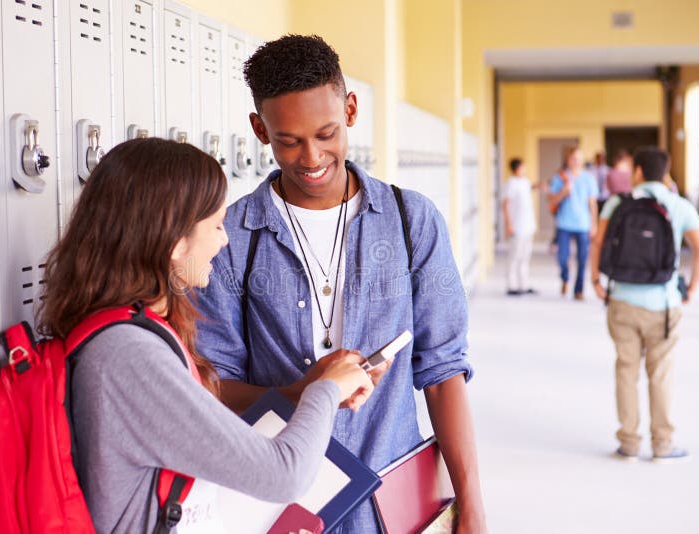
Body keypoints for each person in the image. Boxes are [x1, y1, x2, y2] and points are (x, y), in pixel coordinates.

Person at [196, 35, 487, 533]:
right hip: (279, 502)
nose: (311, 157)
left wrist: (472, 503)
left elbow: (443, 373)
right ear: (259, 130)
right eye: (288, 140)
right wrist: (304, 393)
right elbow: (210, 383)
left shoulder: (411, 221)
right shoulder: (230, 237)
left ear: (351, 110)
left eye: (326, 133)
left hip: (391, 504)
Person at [37, 138, 374, 533]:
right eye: (216, 225)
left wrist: (312, 387)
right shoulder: (128, 355)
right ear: (174, 240)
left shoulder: (130, 335)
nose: (225, 239)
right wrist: (326, 390)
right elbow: (284, 474)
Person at [591, 146, 699, 463]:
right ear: (665, 172)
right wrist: (691, 289)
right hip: (664, 303)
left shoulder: (618, 203)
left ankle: (629, 443)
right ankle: (663, 444)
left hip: (622, 301)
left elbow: (598, 241)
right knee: (661, 375)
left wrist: (595, 281)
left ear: (639, 171)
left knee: (626, 370)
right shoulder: (677, 205)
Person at [548, 146, 598, 300]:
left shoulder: (588, 178)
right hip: (564, 224)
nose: (576, 161)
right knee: (562, 258)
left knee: (582, 259)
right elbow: (551, 201)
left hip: (583, 224)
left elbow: (592, 203)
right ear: (567, 160)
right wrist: (563, 192)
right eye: (573, 158)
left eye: (578, 158)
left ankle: (579, 290)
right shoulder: (560, 178)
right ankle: (565, 277)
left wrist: (594, 224)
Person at [501, 157, 537, 295]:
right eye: (523, 167)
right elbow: (505, 204)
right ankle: (512, 286)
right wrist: (508, 224)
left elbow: (531, 186)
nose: (525, 169)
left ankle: (524, 285)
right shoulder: (511, 183)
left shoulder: (525, 182)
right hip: (517, 227)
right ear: (516, 168)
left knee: (525, 257)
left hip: (528, 226)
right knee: (514, 257)